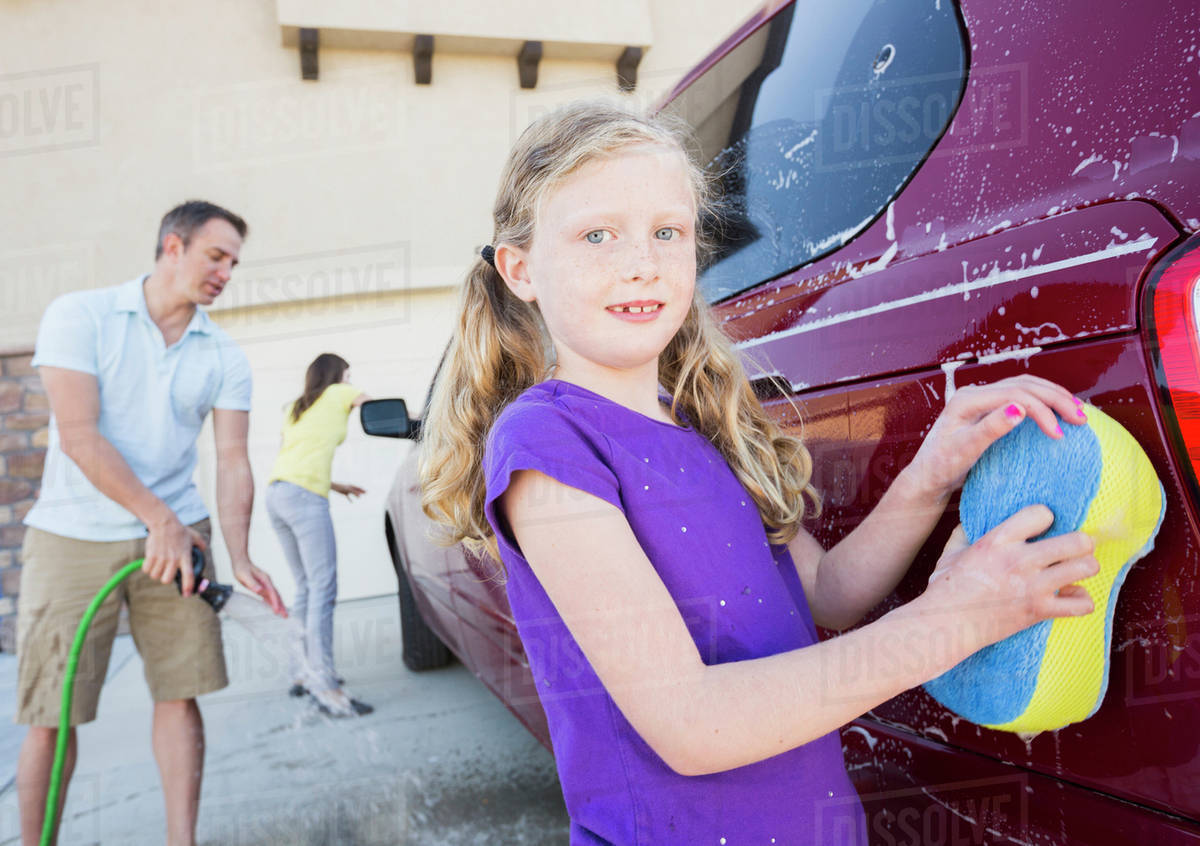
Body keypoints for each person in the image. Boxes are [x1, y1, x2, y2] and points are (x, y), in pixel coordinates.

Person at [418, 102, 1099, 844]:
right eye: (596, 235)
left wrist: (930, 473)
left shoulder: (702, 420)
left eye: (667, 232)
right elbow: (691, 722)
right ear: (520, 270)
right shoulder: (547, 444)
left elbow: (828, 593)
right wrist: (950, 621)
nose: (641, 261)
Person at [16, 200, 286, 846]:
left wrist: (241, 556)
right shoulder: (80, 316)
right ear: (172, 246)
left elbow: (230, 460)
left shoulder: (223, 355)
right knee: (52, 713)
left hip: (179, 534)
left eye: (233, 264)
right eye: (215, 256)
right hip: (72, 536)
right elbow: (79, 437)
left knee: (180, 691)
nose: (225, 272)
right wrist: (158, 519)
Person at [266, 353, 372, 717]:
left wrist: (338, 486)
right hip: (304, 497)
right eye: (347, 373)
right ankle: (326, 686)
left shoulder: (296, 407)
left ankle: (302, 673)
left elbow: (296, 457)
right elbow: (378, 409)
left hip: (278, 495)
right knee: (323, 588)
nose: (349, 379)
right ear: (336, 374)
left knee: (306, 587)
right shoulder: (340, 393)